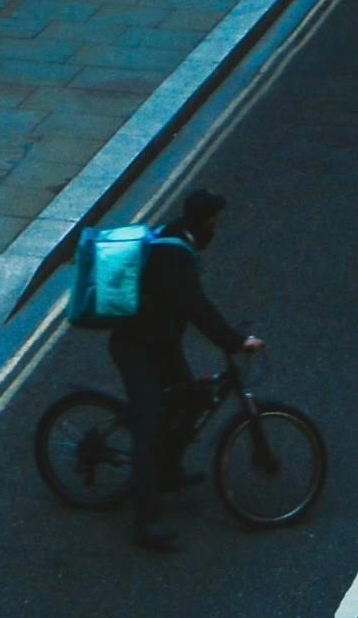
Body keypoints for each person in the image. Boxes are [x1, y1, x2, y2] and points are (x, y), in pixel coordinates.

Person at [105, 184, 257, 549]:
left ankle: (169, 471)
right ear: (204, 222)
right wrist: (235, 342)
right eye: (215, 222)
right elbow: (195, 306)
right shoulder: (175, 255)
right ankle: (145, 524)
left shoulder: (177, 236)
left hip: (160, 342)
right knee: (149, 426)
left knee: (192, 400)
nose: (216, 230)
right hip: (136, 347)